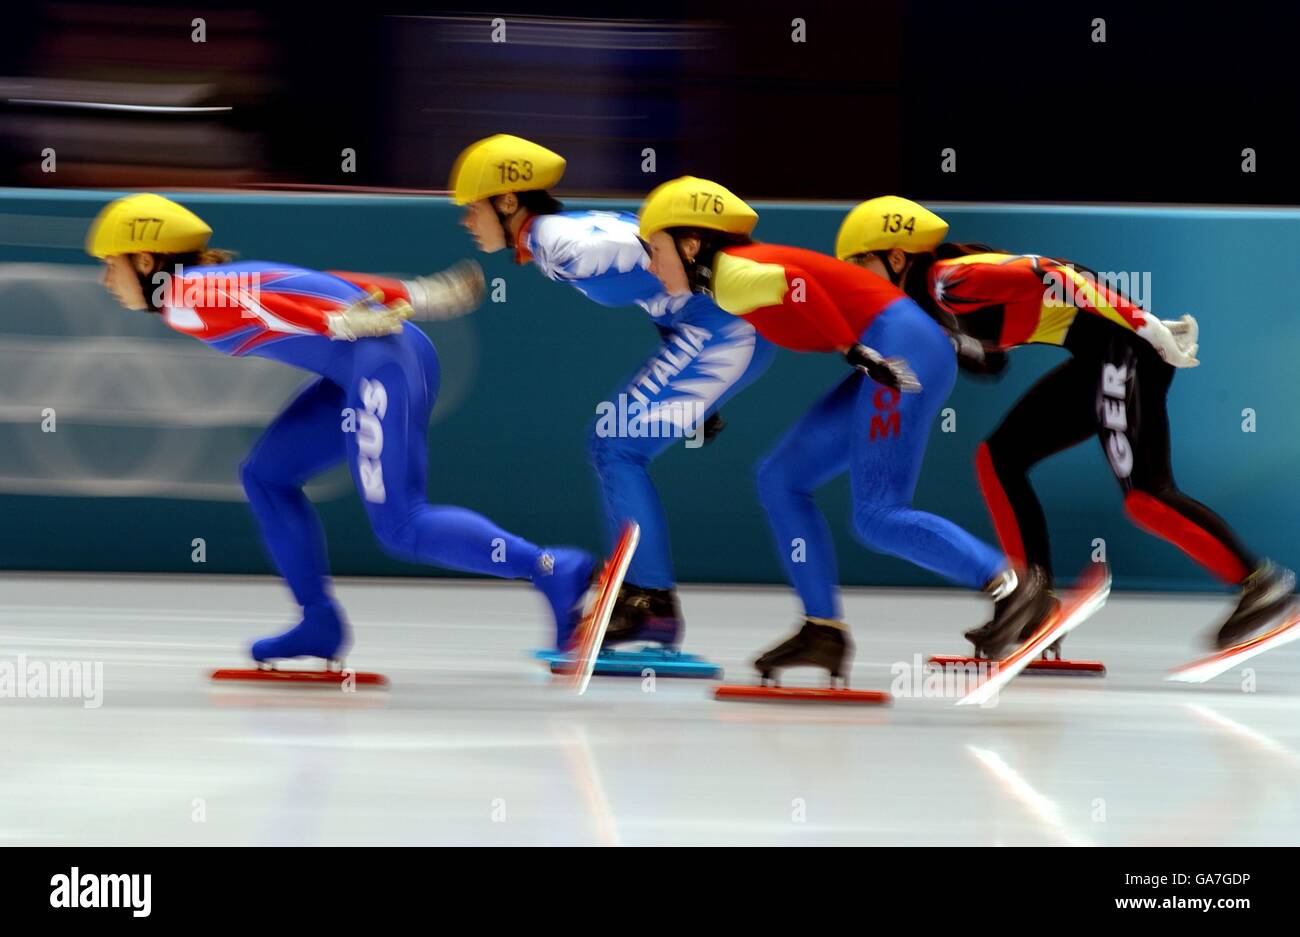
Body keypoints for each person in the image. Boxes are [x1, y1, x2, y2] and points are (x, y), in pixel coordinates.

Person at [86, 193, 598, 664]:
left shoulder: (184, 297)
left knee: (402, 525)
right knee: (267, 475)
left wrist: (334, 323)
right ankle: (318, 622)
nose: (107, 281)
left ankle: (551, 567)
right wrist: (417, 295)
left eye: (111, 265)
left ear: (145, 260)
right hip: (376, 358)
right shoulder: (212, 283)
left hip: (380, 363)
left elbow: (269, 307)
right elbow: (323, 280)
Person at [637, 177, 1053, 685]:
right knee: (780, 478)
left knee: (878, 514)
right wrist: (708, 404)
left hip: (897, 349)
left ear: (692, 243)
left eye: (654, 249)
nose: (651, 265)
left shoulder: (731, 276)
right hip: (896, 343)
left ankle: (1011, 587)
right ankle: (822, 629)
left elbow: (801, 286)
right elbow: (755, 341)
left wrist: (851, 351)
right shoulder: (728, 281)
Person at [835, 195, 1293, 650]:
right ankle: (1033, 603)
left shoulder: (949, 280)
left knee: (1146, 498)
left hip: (1125, 350)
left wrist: (1144, 325)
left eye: (858, 266)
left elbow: (1054, 274)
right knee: (998, 459)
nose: (854, 282)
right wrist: (951, 346)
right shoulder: (930, 301)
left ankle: (1260, 584)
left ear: (896, 257)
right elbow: (994, 361)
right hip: (1101, 356)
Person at [450, 135, 774, 652]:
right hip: (710, 332)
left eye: (472, 208)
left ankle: (650, 602)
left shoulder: (565, 246)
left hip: (724, 333)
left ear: (508, 201)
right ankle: (646, 595)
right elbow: (660, 282)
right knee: (613, 443)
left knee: (615, 445)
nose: (467, 221)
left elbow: (675, 256)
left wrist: (710, 376)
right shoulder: (557, 237)